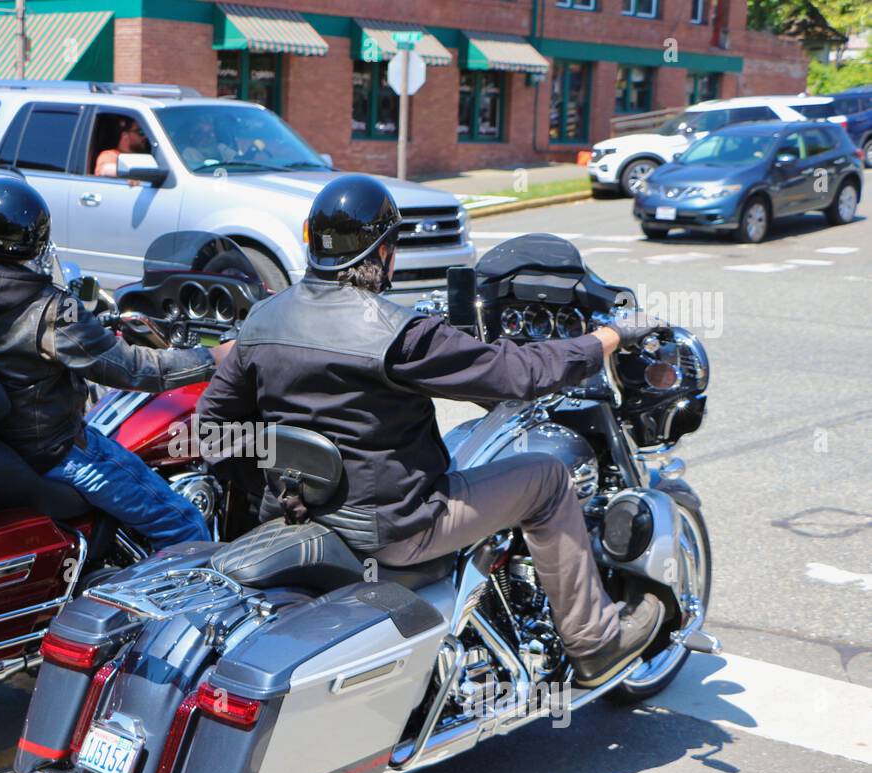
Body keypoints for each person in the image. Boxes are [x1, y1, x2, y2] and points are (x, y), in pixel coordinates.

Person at [196, 174, 662, 689]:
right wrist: (605, 338)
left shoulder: (262, 320)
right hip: (399, 528)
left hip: (295, 516)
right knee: (548, 478)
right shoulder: (399, 332)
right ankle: (594, 643)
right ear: (384, 251)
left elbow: (213, 430)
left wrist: (282, 491)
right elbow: (518, 374)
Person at [0, 177, 231, 548]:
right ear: (33, 238)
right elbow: (131, 369)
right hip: (53, 452)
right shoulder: (49, 308)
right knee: (184, 523)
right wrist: (213, 357)